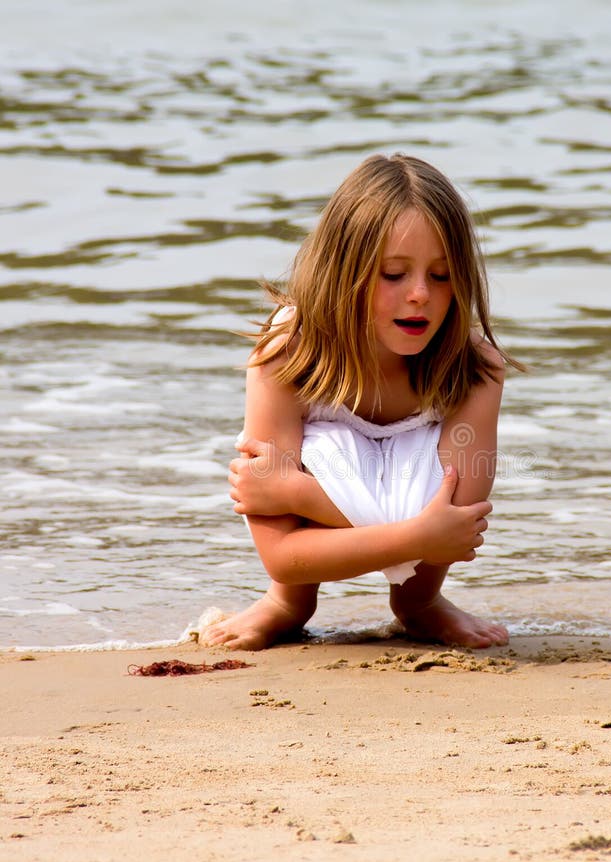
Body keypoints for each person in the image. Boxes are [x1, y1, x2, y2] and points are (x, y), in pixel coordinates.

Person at [200, 153, 520, 652]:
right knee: (329, 447)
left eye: (440, 276)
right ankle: (288, 604)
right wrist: (420, 533)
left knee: (443, 480)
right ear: (342, 270)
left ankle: (418, 603)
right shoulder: (290, 353)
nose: (419, 295)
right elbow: (281, 556)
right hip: (310, 557)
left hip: (411, 522)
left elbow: (458, 526)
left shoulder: (473, 367)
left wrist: (299, 494)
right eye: (393, 274)